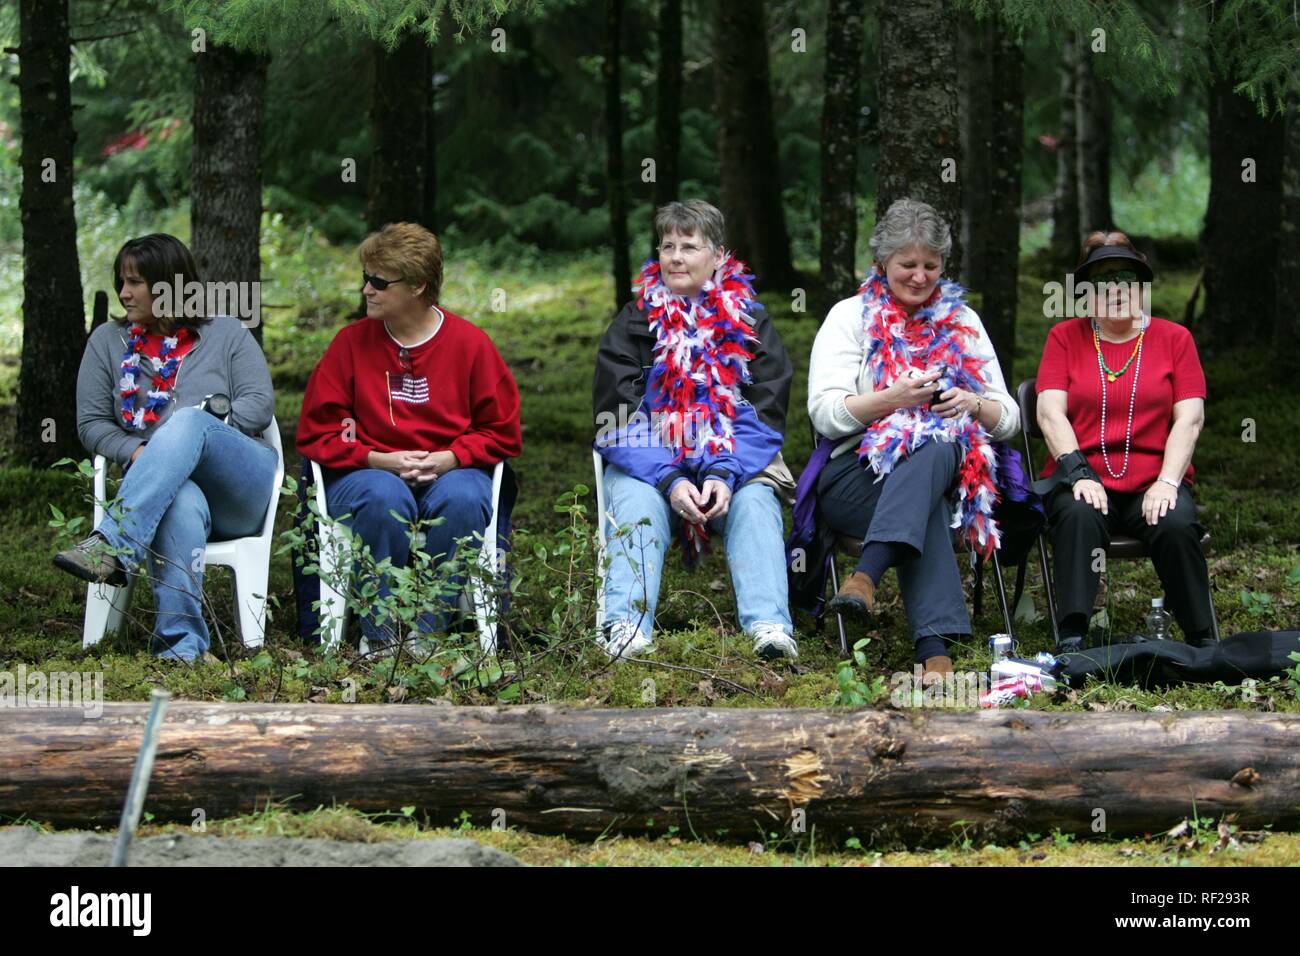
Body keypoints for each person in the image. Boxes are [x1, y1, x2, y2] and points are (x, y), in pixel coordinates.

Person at [807, 198, 1021, 679]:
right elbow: (825, 414)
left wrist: (974, 404)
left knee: (940, 446)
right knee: (927, 498)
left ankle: (866, 576)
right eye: (908, 264)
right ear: (881, 264)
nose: (920, 276)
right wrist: (891, 399)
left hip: (946, 481)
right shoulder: (849, 317)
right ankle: (935, 653)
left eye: (931, 265)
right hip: (856, 477)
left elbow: (1009, 419)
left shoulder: (963, 322)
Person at [54, 233, 279, 662]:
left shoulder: (227, 332)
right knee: (179, 498)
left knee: (190, 420)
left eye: (135, 282)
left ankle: (111, 546)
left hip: (238, 486)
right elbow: (92, 424)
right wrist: (140, 453)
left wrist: (195, 435)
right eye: (121, 281)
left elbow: (258, 404)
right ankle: (182, 648)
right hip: (164, 492)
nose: (124, 293)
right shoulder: (107, 342)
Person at [296, 222, 521, 649]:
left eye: (380, 282)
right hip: (367, 472)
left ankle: (428, 628)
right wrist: (377, 458)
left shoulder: (470, 345)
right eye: (366, 278)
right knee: (384, 497)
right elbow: (317, 432)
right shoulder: (349, 344)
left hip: (451, 470)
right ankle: (379, 636)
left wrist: (452, 457)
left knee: (464, 498)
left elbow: (502, 431)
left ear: (417, 286)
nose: (367, 290)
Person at [593, 200, 797, 660]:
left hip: (733, 463)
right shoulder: (633, 322)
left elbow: (764, 414)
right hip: (652, 466)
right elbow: (616, 419)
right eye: (668, 246)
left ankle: (769, 627)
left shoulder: (750, 323)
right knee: (639, 502)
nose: (676, 257)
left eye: (689, 246)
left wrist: (723, 473)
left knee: (756, 499)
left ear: (719, 256)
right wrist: (671, 477)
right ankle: (625, 626)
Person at [1034, 230, 1212, 652]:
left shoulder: (1174, 339)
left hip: (1153, 481)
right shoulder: (1064, 337)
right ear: (1085, 293)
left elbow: (1190, 418)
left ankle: (1201, 637)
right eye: (1101, 280)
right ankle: (1074, 633)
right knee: (1077, 514)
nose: (1115, 289)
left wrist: (1168, 482)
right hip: (1083, 478)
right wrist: (1078, 472)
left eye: (1126, 278)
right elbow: (1048, 412)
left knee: (1174, 522)